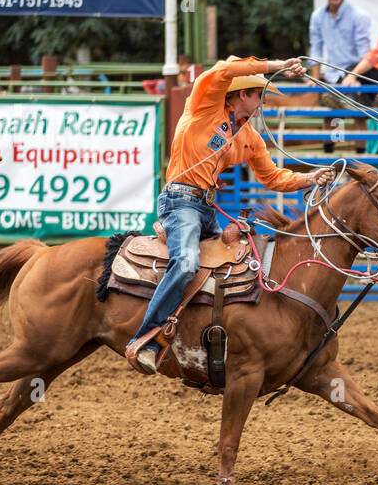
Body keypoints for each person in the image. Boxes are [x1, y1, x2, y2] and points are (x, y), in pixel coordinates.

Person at [126, 55, 333, 375]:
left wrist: (309, 178)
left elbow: (273, 177)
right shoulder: (205, 106)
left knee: (235, 266)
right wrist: (276, 65)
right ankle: (146, 339)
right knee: (186, 262)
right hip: (180, 201)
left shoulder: (250, 137)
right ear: (242, 94)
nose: (262, 103)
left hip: (205, 208)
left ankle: (208, 339)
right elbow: (223, 69)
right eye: (259, 95)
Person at [308, 0, 372, 86]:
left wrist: (354, 76)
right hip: (333, 77)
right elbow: (316, 49)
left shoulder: (359, 16)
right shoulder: (317, 16)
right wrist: (315, 79)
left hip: (357, 74)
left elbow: (365, 54)